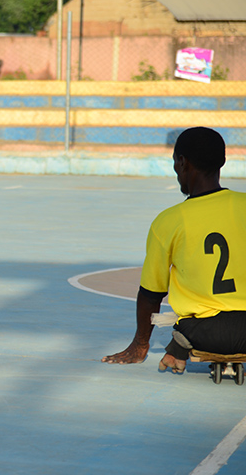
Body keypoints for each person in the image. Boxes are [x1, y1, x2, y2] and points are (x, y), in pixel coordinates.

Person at [103, 127, 246, 373]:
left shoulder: (168, 221)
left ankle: (180, 343)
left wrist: (140, 345)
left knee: (185, 325)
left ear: (182, 162)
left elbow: (151, 293)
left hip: (201, 333)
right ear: (221, 162)